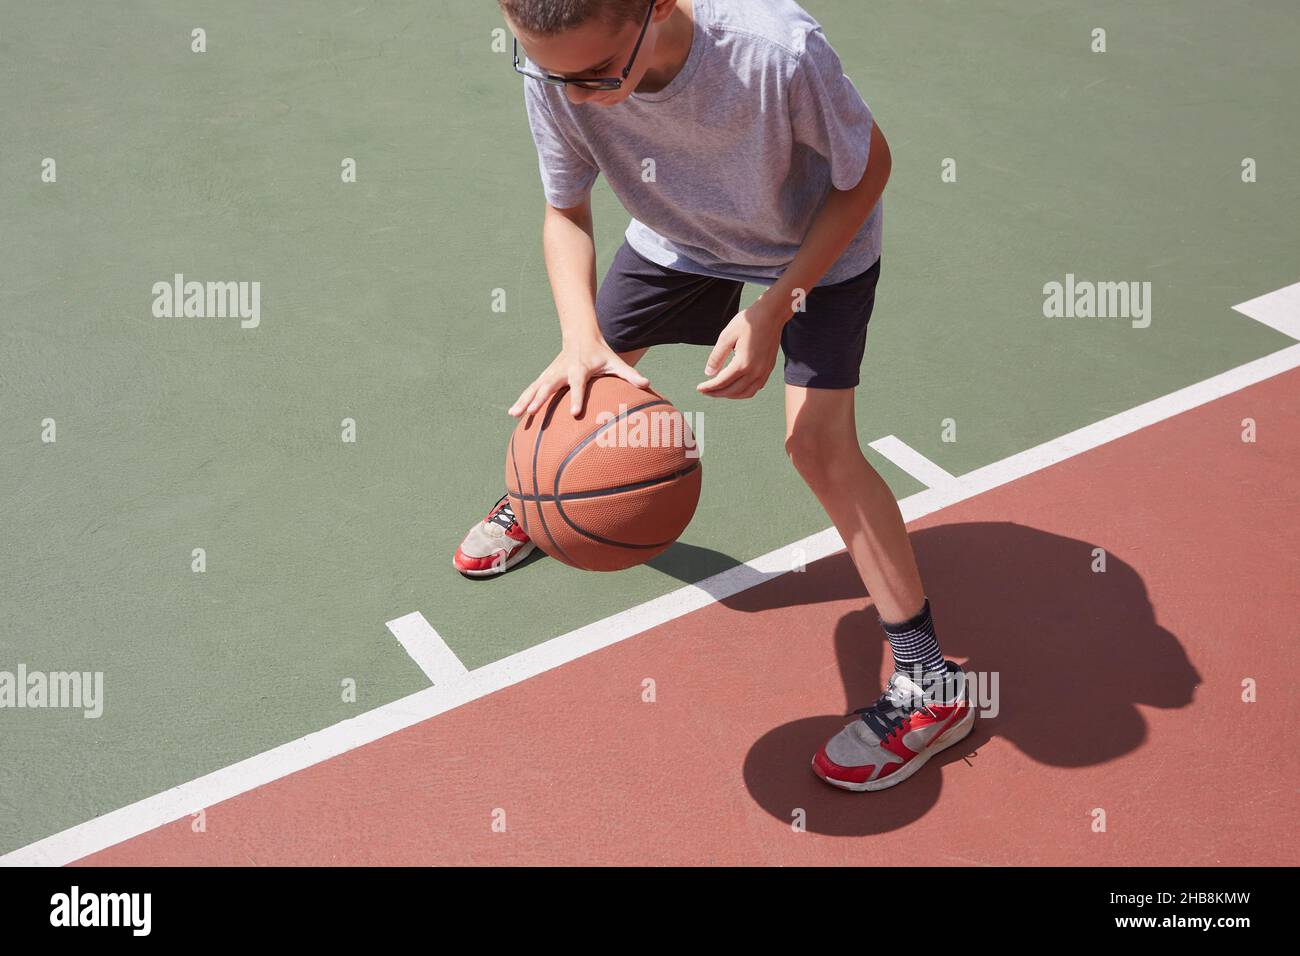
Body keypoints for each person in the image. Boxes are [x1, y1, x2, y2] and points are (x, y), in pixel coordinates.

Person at [456, 0, 973, 790]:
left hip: (812, 252)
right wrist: (579, 341)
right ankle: (545, 493)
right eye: (555, 75)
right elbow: (566, 209)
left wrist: (775, 306)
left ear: (655, 8)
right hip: (678, 237)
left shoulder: (776, 52)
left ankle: (932, 685)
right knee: (581, 385)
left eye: (599, 75)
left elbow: (867, 168)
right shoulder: (559, 61)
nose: (579, 94)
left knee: (817, 448)